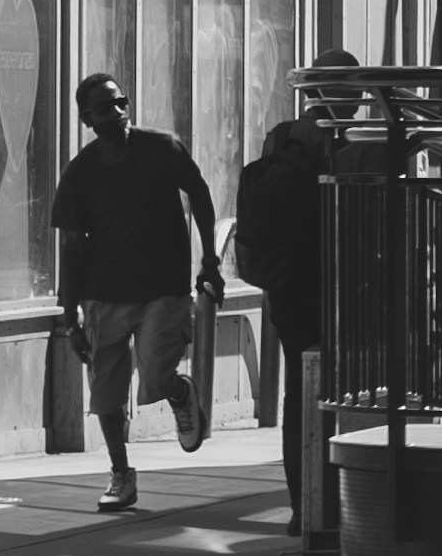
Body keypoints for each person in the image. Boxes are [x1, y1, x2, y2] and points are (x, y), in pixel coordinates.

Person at [53, 73, 225, 513]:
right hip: (103, 294)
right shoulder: (80, 173)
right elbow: (71, 248)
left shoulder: (162, 148)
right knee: (106, 394)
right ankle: (121, 474)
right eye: (103, 107)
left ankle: (179, 393)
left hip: (161, 289)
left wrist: (210, 260)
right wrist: (68, 313)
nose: (115, 111)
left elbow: (201, 194)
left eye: (120, 101)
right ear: (85, 118)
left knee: (154, 374)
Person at [235, 61, 350, 523]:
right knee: (348, 394)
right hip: (338, 283)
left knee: (300, 395)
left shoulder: (280, 139)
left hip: (286, 285)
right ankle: (339, 503)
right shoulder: (354, 143)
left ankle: (304, 505)